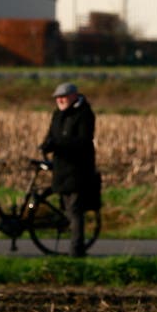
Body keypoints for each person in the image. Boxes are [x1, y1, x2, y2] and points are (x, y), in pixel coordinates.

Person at [39, 81, 97, 257]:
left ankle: (76, 251)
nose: (60, 100)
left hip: (79, 169)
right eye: (57, 97)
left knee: (75, 210)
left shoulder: (84, 114)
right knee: (68, 209)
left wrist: (58, 144)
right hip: (62, 168)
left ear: (74, 96)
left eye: (63, 97)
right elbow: (51, 134)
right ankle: (75, 247)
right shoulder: (58, 114)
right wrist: (46, 145)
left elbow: (83, 141)